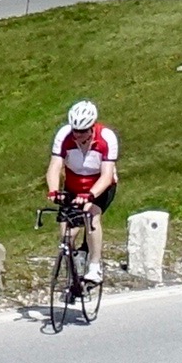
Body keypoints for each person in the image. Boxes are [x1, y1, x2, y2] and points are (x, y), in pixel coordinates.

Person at [45, 99, 121, 301]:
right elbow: (54, 166)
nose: (77, 135)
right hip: (73, 186)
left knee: (91, 215)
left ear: (92, 127)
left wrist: (90, 195)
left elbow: (107, 175)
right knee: (67, 233)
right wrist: (53, 190)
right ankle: (73, 276)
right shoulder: (64, 135)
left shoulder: (107, 138)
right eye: (75, 130)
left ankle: (95, 266)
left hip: (100, 186)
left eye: (82, 131)